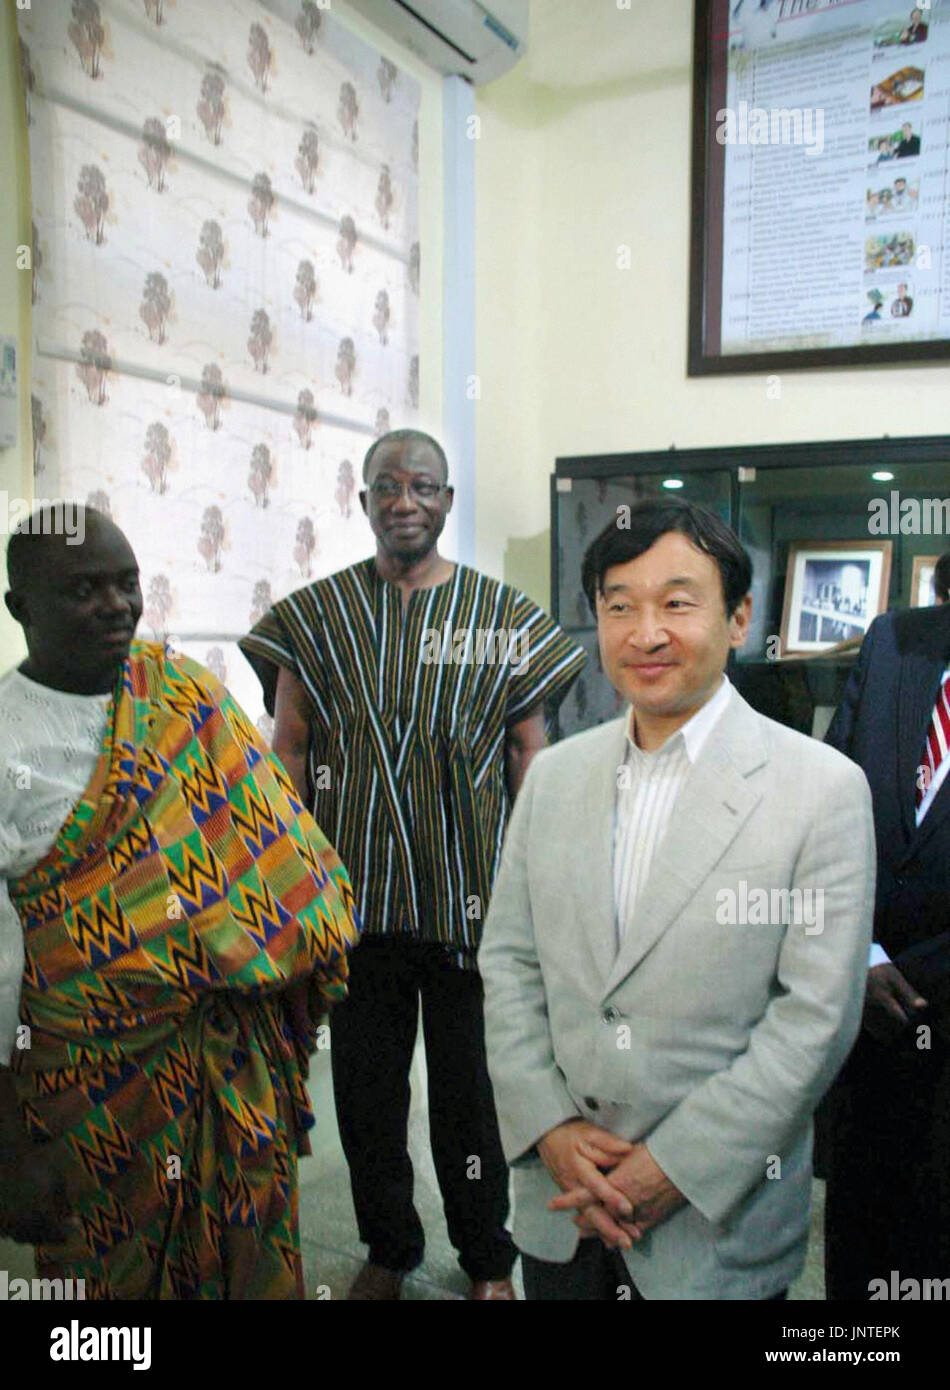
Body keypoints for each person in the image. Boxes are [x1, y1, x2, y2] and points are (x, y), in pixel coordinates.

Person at [479, 499, 875, 1300]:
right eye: (619, 606)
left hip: (712, 1228)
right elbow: (510, 961)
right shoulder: (555, 775)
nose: (645, 632)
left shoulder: (820, 789)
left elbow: (815, 1018)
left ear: (738, 619)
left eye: (677, 603)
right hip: (562, 1207)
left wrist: (675, 1166)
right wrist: (550, 1129)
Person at [240, 428, 585, 1301]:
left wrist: (543, 887)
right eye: (387, 487)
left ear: (446, 503)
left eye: (423, 486)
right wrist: (284, 880)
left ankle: (487, 1259)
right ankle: (388, 1246)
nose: (405, 501)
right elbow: (288, 749)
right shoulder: (313, 620)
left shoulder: (500, 620)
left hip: (473, 897)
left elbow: (529, 756)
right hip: (354, 901)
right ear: (364, 503)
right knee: (366, 1093)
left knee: (472, 1095)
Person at [0, 505, 360, 1299]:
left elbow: (279, 848)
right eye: (83, 590)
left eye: (126, 584)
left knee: (249, 1258)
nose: (116, 606)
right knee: (107, 1280)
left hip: (226, 1053)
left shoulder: (182, 695)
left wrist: (288, 948)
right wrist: (9, 1150)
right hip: (90, 1076)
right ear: (19, 606)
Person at [822, 593, 950, 1299]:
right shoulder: (894, 640)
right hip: (867, 1019)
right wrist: (860, 954)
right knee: (864, 1252)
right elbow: (830, 805)